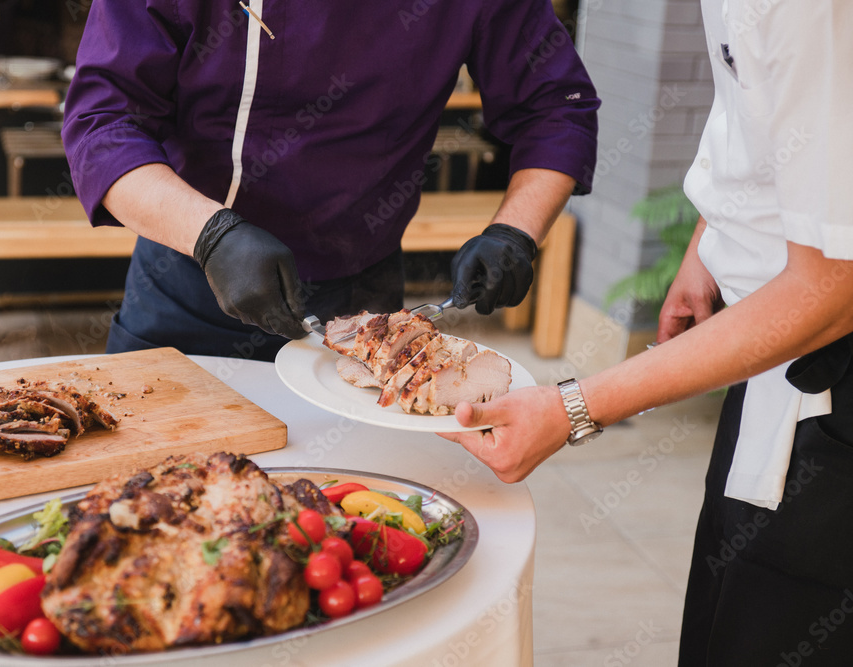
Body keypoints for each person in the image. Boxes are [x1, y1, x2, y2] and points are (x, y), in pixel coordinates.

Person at [440, 2, 853, 663]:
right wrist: (710, 239)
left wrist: (571, 406)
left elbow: (832, 288)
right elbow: (763, 118)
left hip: (827, 385)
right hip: (769, 365)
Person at [61, 1, 599, 361]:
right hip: (190, 279)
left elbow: (555, 107)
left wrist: (514, 232)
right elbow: (102, 123)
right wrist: (210, 235)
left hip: (363, 297)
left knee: (345, 507)